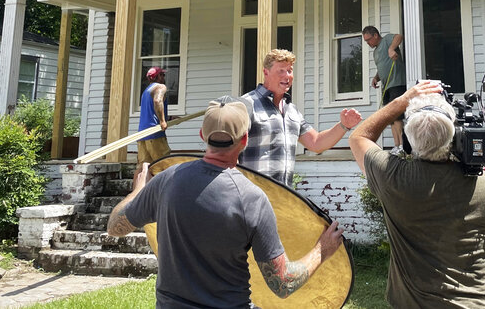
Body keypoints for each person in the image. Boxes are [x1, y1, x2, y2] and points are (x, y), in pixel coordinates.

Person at [107, 95, 345, 308]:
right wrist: (322, 250)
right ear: (245, 139)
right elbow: (283, 284)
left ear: (202, 136)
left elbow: (115, 227)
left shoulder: (167, 180)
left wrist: (138, 189)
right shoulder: (251, 199)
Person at [349, 80, 485, 308]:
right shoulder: (483, 180)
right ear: (455, 133)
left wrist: (404, 100)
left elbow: (358, 137)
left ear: (409, 141)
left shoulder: (393, 177)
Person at [240, 48, 363, 187]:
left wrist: (343, 125)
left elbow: (316, 143)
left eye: (290, 70)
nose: (287, 76)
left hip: (282, 197)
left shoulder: (292, 111)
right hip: (252, 197)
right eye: (281, 70)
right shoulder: (245, 105)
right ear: (265, 72)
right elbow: (229, 153)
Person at [363, 26, 406, 148]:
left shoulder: (386, 40)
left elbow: (399, 36)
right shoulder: (375, 52)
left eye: (368, 40)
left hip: (396, 83)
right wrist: (376, 77)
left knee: (397, 116)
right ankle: (397, 146)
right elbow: (382, 66)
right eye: (366, 41)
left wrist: (392, 49)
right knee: (390, 119)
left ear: (375, 35)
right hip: (386, 87)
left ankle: (402, 146)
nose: (368, 43)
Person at [136, 67, 170, 168]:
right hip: (155, 134)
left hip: (142, 135)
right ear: (157, 77)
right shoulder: (160, 87)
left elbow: (150, 111)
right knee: (164, 164)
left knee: (144, 168)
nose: (164, 77)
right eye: (162, 75)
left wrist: (169, 117)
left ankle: (140, 184)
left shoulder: (146, 91)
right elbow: (157, 101)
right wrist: (162, 121)